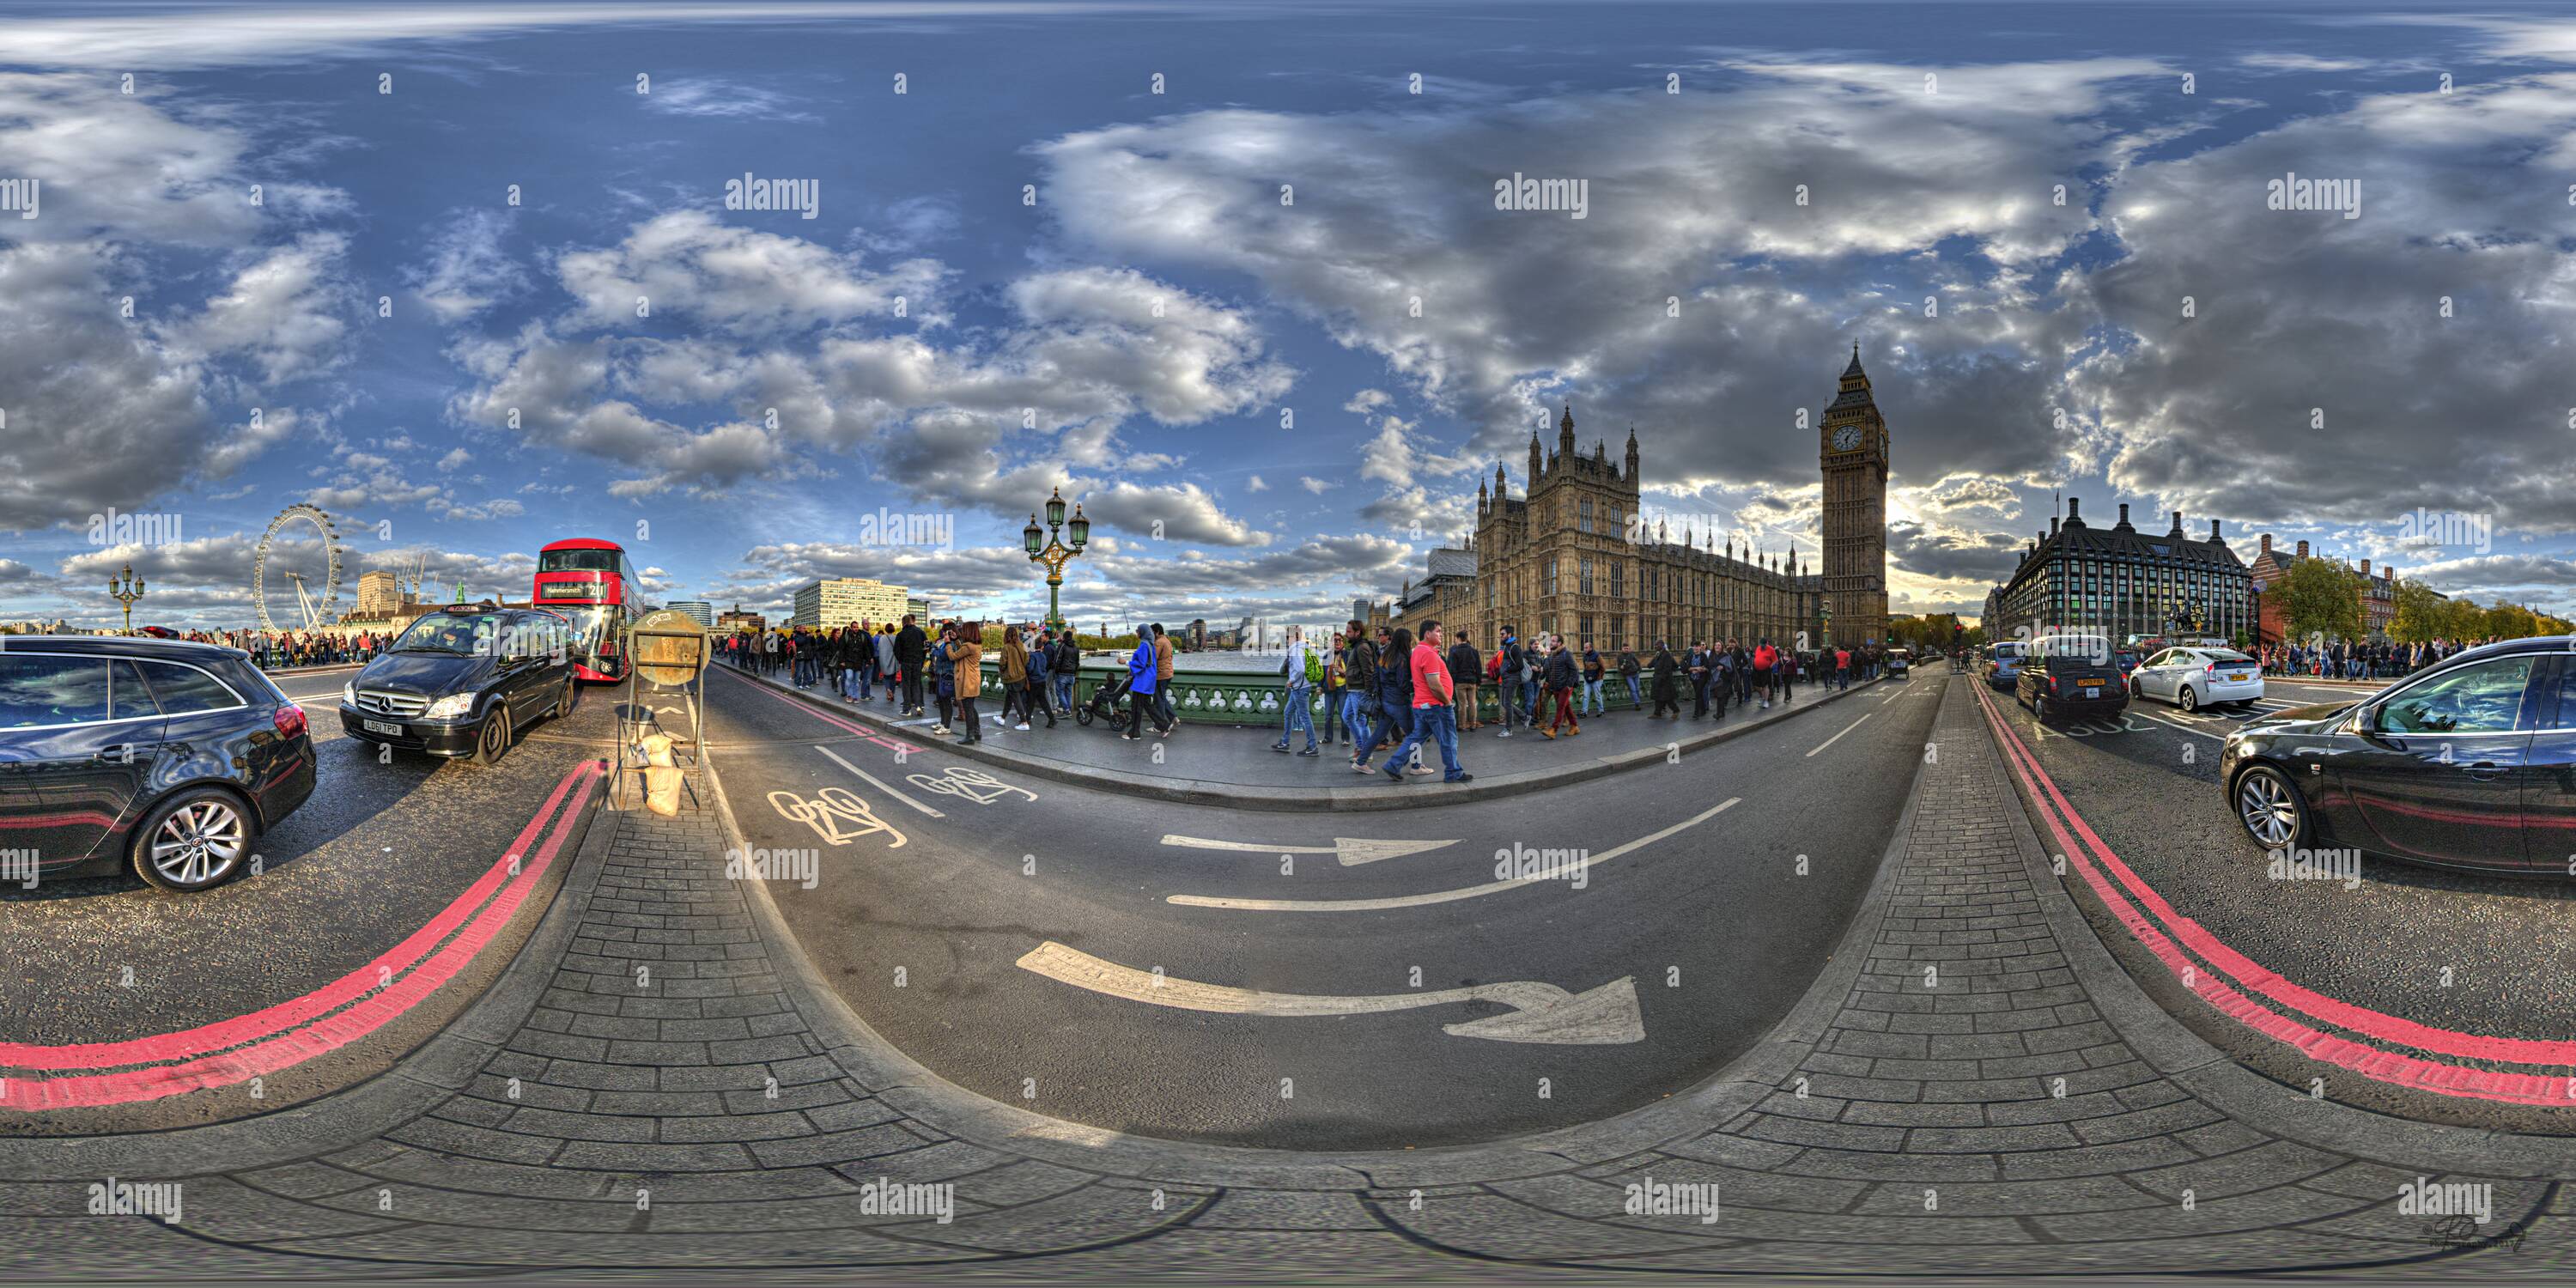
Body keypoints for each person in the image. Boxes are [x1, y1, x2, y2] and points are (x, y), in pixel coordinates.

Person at [1378, 620, 1471, 784]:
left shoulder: (1417, 651)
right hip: (1436, 705)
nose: (1441, 634)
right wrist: (1447, 702)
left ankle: (1393, 765)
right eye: (1438, 631)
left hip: (1421, 705)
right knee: (1448, 740)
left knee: (1415, 738)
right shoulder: (1429, 654)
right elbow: (1434, 684)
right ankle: (1453, 773)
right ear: (1428, 634)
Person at [1355, 627, 1414, 773]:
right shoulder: (1402, 658)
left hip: (1385, 701)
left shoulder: (1385, 655)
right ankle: (1416, 766)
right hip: (1399, 702)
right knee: (1414, 735)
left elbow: (1376, 676)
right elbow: (1403, 684)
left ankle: (1360, 762)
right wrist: (1416, 687)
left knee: (1379, 734)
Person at [1273, 625, 1321, 756]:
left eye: (1288, 636)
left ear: (1295, 636)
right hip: (1302, 686)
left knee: (1305, 717)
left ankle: (1312, 747)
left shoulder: (1295, 649)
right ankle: (1284, 742)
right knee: (1288, 713)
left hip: (1299, 687)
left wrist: (1291, 680)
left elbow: (1300, 669)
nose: (1286, 639)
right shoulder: (1305, 647)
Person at [1342, 620, 1378, 762]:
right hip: (1353, 689)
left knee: (1361, 722)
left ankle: (1366, 753)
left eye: (1349, 631)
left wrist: (1369, 693)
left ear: (1357, 632)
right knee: (1347, 717)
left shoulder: (1362, 648)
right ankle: (1361, 747)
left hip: (1360, 690)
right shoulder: (1356, 646)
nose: (1346, 634)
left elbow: (1368, 672)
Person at [1123, 624, 1164, 739]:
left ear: (1143, 632)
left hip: (1142, 681)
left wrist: (1125, 662)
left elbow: (1141, 664)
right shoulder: (1151, 645)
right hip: (1148, 679)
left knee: (1136, 707)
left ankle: (1134, 733)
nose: (1136, 633)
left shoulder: (1144, 645)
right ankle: (1165, 725)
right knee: (1146, 705)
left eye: (1138, 631)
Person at [948, 623, 986, 743]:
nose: (962, 632)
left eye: (963, 630)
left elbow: (953, 656)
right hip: (974, 679)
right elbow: (962, 650)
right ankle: (977, 732)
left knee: (968, 708)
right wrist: (956, 639)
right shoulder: (975, 645)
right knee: (971, 707)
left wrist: (948, 643)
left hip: (967, 680)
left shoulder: (968, 646)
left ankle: (970, 736)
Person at [1540, 635, 1580, 738]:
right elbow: (1550, 671)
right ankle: (1574, 726)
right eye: (1551, 640)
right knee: (1566, 707)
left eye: (1553, 641)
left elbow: (1574, 670)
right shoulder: (1553, 655)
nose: (1551, 642)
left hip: (1565, 687)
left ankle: (1553, 730)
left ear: (1559, 643)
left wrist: (1569, 685)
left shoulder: (1566, 654)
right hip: (1555, 686)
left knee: (1560, 707)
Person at [1448, 629, 1482, 731]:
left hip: (1460, 681)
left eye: (1456, 639)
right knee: (1472, 704)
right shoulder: (1474, 651)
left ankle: (1462, 725)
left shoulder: (1455, 651)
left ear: (1459, 638)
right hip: (1472, 681)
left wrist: (1453, 682)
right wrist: (1478, 681)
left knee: (1462, 705)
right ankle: (1473, 725)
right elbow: (1479, 668)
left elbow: (1452, 669)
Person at [894, 615, 927, 716]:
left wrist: (901, 660)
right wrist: (921, 659)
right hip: (918, 662)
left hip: (906, 662)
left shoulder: (901, 634)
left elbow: (896, 650)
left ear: (903, 622)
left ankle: (907, 709)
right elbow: (927, 646)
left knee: (906, 685)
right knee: (916, 684)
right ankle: (918, 706)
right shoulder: (921, 632)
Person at [929, 622, 958, 734]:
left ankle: (947, 726)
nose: (943, 633)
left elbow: (943, 655)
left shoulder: (951, 643)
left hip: (947, 674)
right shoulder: (946, 642)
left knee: (946, 700)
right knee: (941, 700)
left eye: (945, 631)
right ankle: (942, 722)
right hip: (941, 672)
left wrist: (933, 649)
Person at [999, 625, 1030, 729]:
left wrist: (1002, 671)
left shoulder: (1006, 647)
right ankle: (1002, 718)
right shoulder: (1022, 645)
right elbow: (1027, 660)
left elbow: (1002, 663)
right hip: (1022, 676)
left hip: (1011, 677)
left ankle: (1024, 722)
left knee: (1016, 700)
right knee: (1010, 697)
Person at [1152, 623, 1178, 732]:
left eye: (1152, 632)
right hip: (1168, 673)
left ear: (1157, 632)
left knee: (1158, 700)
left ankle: (1160, 725)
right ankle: (1173, 717)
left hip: (1161, 674)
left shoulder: (1158, 642)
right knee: (1161, 698)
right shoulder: (1167, 640)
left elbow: (1153, 658)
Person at [1649, 641, 1680, 718]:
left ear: (1662, 646)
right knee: (1658, 697)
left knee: (1667, 698)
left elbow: (1667, 668)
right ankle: (1657, 713)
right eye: (1655, 645)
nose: (1655, 646)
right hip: (1658, 679)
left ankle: (1676, 710)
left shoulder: (1667, 655)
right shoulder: (1658, 654)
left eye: (1657, 645)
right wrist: (1653, 660)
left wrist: (1661, 678)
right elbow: (1650, 665)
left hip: (1665, 680)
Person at [1580, 642, 1605, 718]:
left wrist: (1600, 677)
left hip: (1596, 679)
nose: (1584, 649)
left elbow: (1603, 667)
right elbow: (1585, 667)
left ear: (1591, 648)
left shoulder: (1597, 655)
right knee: (1585, 696)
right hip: (1587, 678)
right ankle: (1584, 712)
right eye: (1584, 647)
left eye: (1586, 648)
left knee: (1597, 696)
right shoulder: (1585, 656)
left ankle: (1601, 710)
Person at [1753, 637, 1778, 710]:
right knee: (1756, 685)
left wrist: (1770, 666)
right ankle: (1762, 697)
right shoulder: (1758, 648)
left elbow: (1776, 660)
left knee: (1765, 686)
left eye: (1763, 645)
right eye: (1761, 644)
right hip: (1756, 669)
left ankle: (1766, 701)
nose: (1762, 646)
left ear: (1766, 644)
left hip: (1766, 670)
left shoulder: (1771, 649)